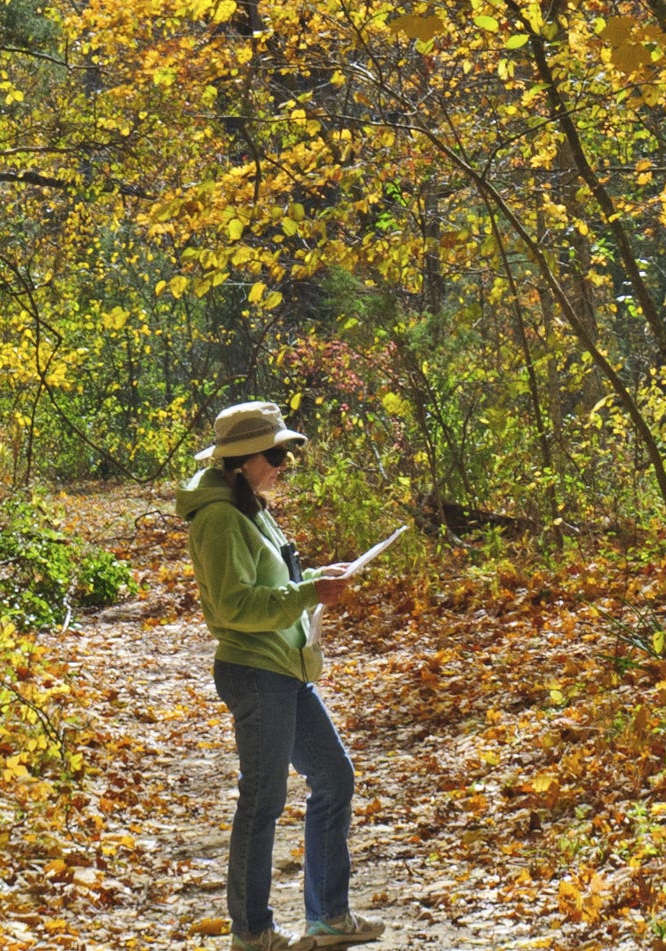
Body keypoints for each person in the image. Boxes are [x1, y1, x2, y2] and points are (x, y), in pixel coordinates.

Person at [178, 402, 383, 951]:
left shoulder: (249, 505)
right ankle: (252, 931)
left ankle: (329, 917)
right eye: (275, 454)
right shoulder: (220, 517)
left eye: (284, 452)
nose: (282, 463)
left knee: (335, 778)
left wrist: (319, 577)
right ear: (242, 460)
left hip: (286, 667)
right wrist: (307, 593)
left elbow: (279, 579)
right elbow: (232, 607)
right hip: (255, 671)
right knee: (263, 801)